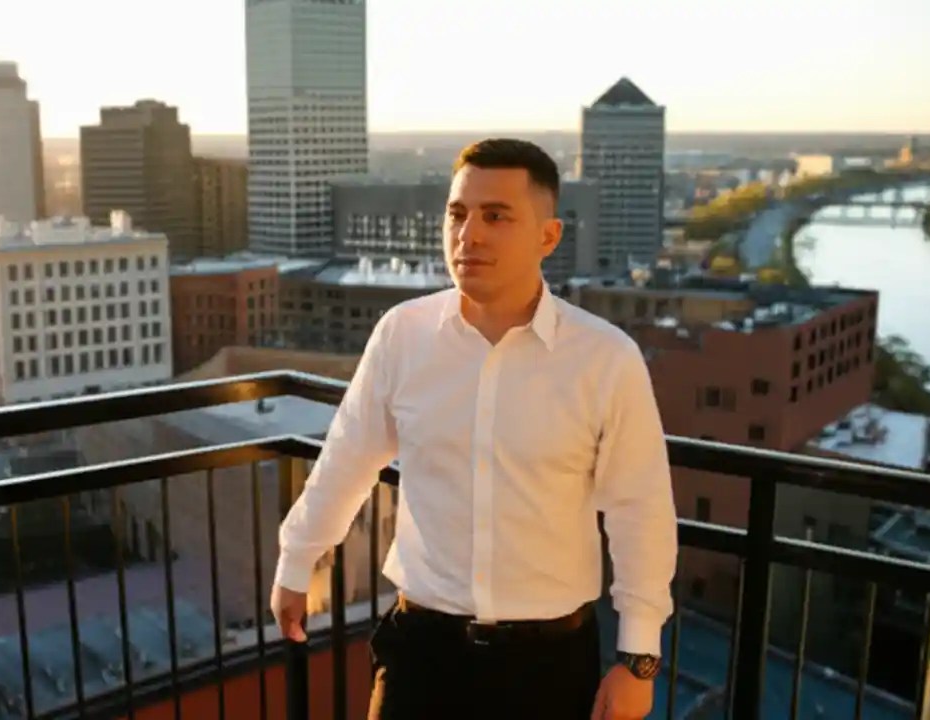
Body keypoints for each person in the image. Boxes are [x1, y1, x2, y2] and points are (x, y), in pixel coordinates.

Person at [270, 138, 678, 719]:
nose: (469, 234)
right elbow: (347, 458)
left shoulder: (605, 359)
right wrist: (296, 560)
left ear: (548, 237)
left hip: (549, 667)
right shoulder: (402, 335)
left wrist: (639, 658)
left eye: (496, 216)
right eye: (457, 214)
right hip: (422, 655)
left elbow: (641, 511)